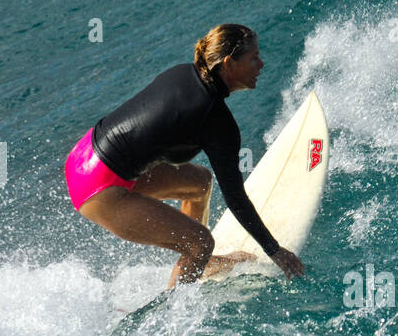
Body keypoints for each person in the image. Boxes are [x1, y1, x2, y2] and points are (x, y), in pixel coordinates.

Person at [64, 23, 306, 287]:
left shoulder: (183, 73)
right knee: (200, 242)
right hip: (97, 188)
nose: (261, 64)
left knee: (199, 182)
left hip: (84, 155)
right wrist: (275, 250)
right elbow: (236, 199)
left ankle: (203, 261)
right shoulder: (215, 121)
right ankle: (171, 315)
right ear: (229, 63)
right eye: (254, 58)